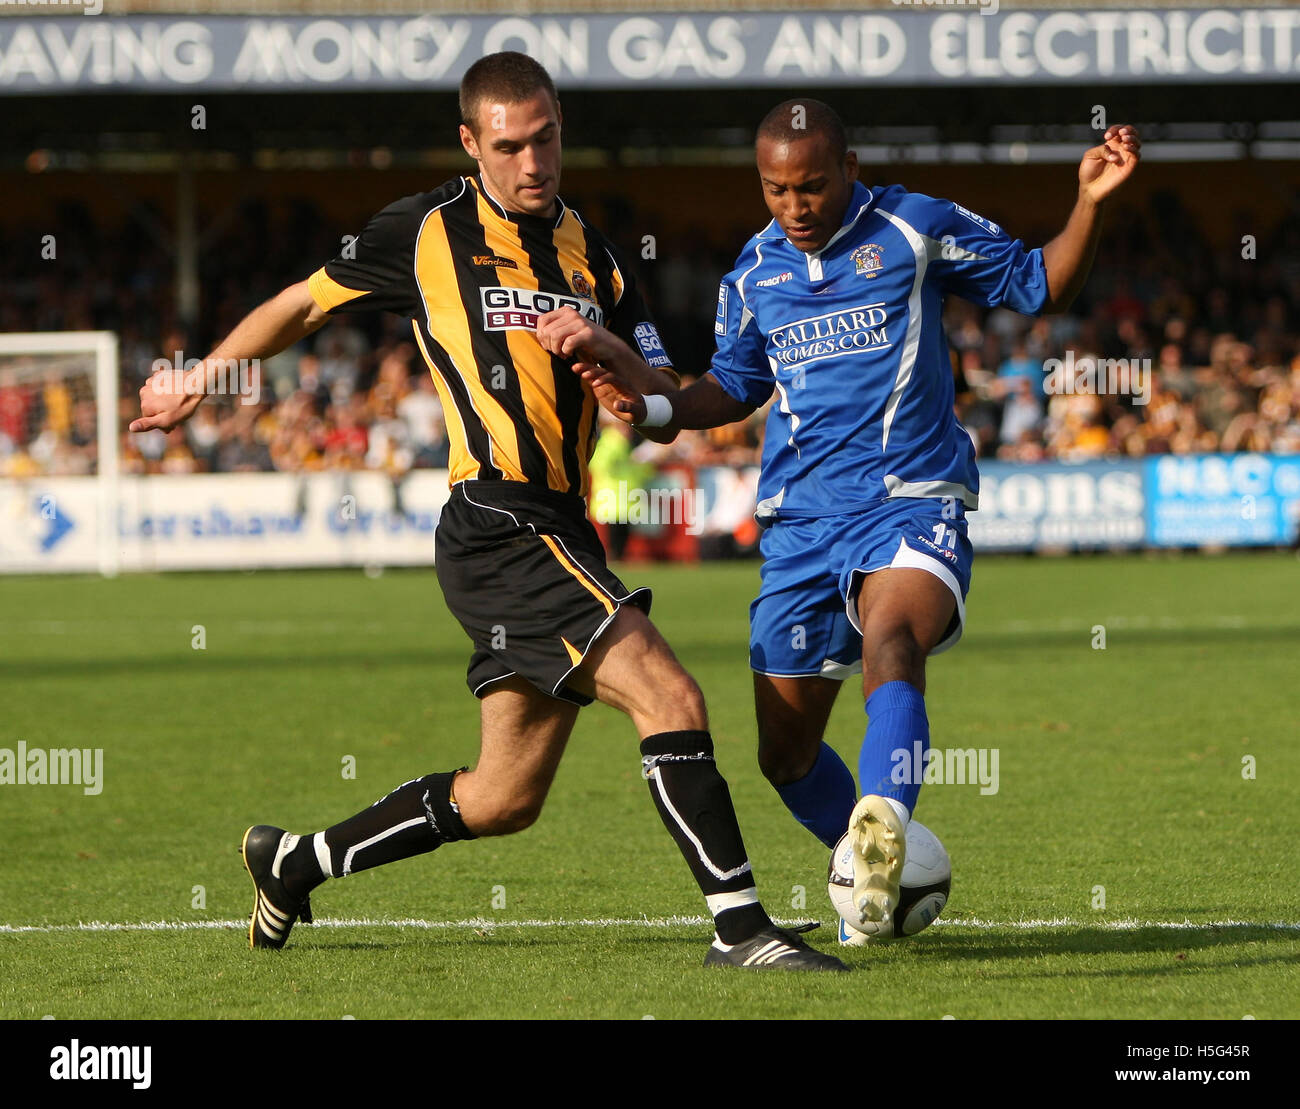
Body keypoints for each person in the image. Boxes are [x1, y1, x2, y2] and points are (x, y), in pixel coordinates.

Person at [130, 56, 847, 972]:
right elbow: (303, 302)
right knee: (670, 695)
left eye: (545, 137)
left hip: (560, 524)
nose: (533, 161)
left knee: (505, 795)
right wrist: (202, 376)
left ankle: (294, 861)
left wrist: (617, 371)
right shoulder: (427, 230)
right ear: (472, 144)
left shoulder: (596, 251)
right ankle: (741, 929)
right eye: (508, 145)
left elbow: (658, 400)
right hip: (497, 519)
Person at [536, 99, 1140, 941]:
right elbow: (731, 387)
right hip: (798, 526)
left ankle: (886, 815)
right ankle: (871, 869)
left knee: (893, 642)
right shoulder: (753, 273)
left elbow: (1040, 283)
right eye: (777, 190)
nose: (796, 206)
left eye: (813, 186)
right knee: (782, 755)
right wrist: (655, 407)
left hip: (908, 496)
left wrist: (1090, 203)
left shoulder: (911, 227)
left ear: (849, 168)